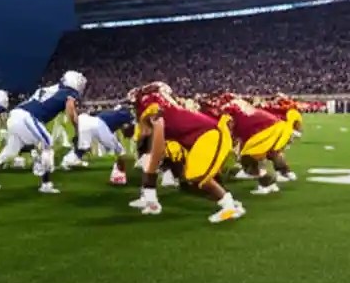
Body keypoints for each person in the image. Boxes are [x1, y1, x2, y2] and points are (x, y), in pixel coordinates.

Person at [127, 82, 244, 223]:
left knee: (197, 175)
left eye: (135, 105)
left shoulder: (155, 112)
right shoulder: (166, 110)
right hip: (202, 138)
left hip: (209, 136)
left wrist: (152, 168)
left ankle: (230, 206)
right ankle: (149, 198)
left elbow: (157, 149)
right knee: (193, 175)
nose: (134, 110)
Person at [0, 71, 86, 194]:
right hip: (27, 117)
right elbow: (70, 110)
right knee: (47, 143)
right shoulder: (68, 92)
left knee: (12, 149)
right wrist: (78, 128)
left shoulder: (52, 89)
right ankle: (46, 184)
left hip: (16, 114)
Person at [63, 106, 134, 185]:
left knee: (82, 147)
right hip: (99, 125)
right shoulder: (125, 115)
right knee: (120, 150)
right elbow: (128, 130)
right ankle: (118, 177)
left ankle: (67, 161)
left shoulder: (110, 113)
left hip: (85, 121)